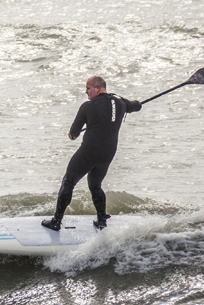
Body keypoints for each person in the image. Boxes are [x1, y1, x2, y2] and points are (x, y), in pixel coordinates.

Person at [42, 76, 142, 231]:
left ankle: (56, 222)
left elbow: (74, 133)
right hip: (108, 153)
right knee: (95, 185)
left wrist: (71, 135)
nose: (86, 91)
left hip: (89, 151)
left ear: (97, 88)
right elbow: (136, 106)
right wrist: (136, 104)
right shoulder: (120, 102)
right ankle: (101, 222)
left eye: (88, 88)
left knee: (68, 182)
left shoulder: (87, 106)